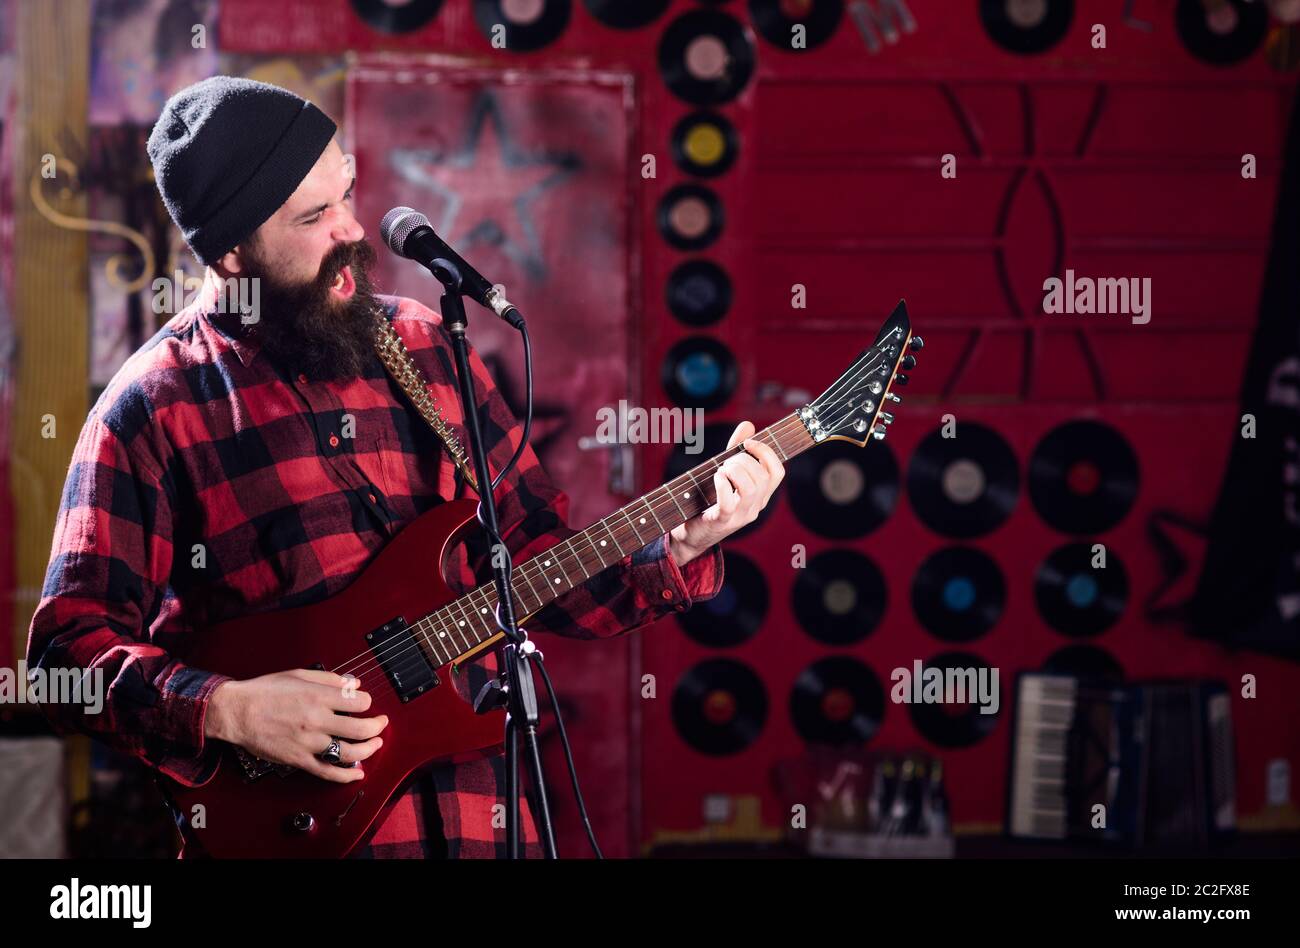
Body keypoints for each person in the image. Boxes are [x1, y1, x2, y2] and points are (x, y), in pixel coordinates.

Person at [26, 76, 785, 858]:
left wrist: (684, 543)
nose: (353, 231)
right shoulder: (154, 405)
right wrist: (229, 711)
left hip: (479, 828)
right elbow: (63, 659)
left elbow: (532, 567)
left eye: (346, 192)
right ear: (229, 250)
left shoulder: (424, 346)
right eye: (315, 218)